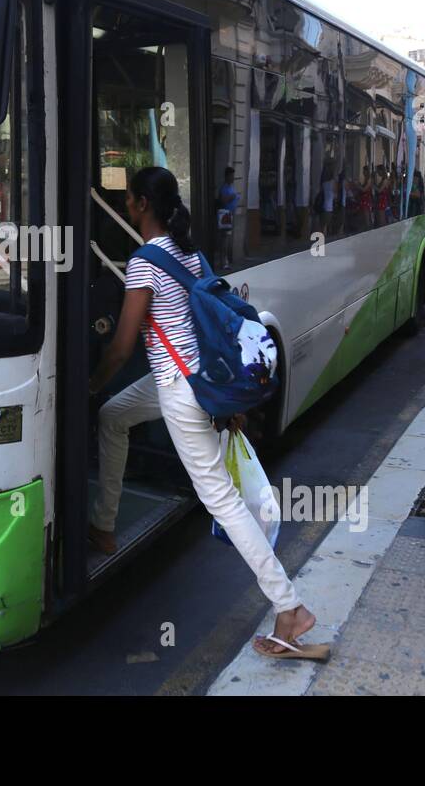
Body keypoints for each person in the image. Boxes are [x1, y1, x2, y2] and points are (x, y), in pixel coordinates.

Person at [88, 167, 325, 660]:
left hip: (181, 389)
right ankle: (105, 525)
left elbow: (122, 345)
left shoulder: (143, 263)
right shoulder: (191, 255)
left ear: (141, 206)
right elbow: (205, 325)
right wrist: (224, 401)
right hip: (198, 381)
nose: (127, 205)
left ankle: (289, 606)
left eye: (130, 198)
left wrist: (88, 384)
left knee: (219, 497)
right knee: (113, 417)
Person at [216, 166, 239, 270]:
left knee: (227, 239)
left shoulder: (231, 187)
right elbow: (223, 201)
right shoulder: (224, 188)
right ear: (227, 176)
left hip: (230, 214)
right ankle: (223, 261)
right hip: (225, 215)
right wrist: (232, 197)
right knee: (224, 239)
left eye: (233, 176)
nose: (233, 178)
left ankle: (226, 260)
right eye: (231, 176)